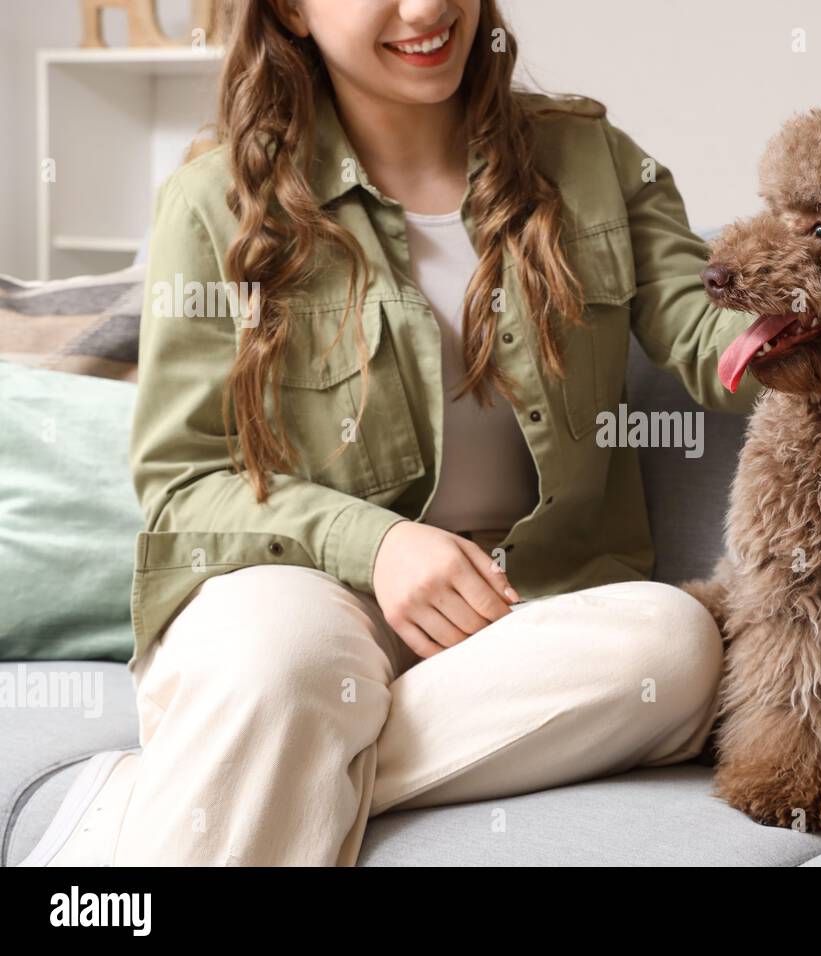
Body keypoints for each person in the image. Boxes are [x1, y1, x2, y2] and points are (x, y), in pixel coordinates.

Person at [21, 0, 760, 867]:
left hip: (524, 613)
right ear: (291, 12)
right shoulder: (214, 204)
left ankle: (176, 792)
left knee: (674, 643)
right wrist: (377, 547)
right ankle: (256, 740)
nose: (426, 9)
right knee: (284, 662)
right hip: (294, 588)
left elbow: (713, 340)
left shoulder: (590, 159)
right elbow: (187, 483)